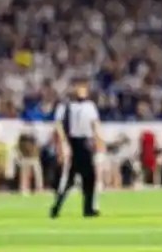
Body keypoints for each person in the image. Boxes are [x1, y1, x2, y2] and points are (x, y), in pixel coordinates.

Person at [50, 80, 102, 219]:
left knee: (88, 178)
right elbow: (59, 125)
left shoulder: (89, 106)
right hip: (75, 142)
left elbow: (95, 125)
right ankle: (58, 205)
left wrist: (97, 140)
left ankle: (87, 207)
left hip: (85, 142)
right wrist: (63, 143)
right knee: (70, 178)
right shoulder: (66, 106)